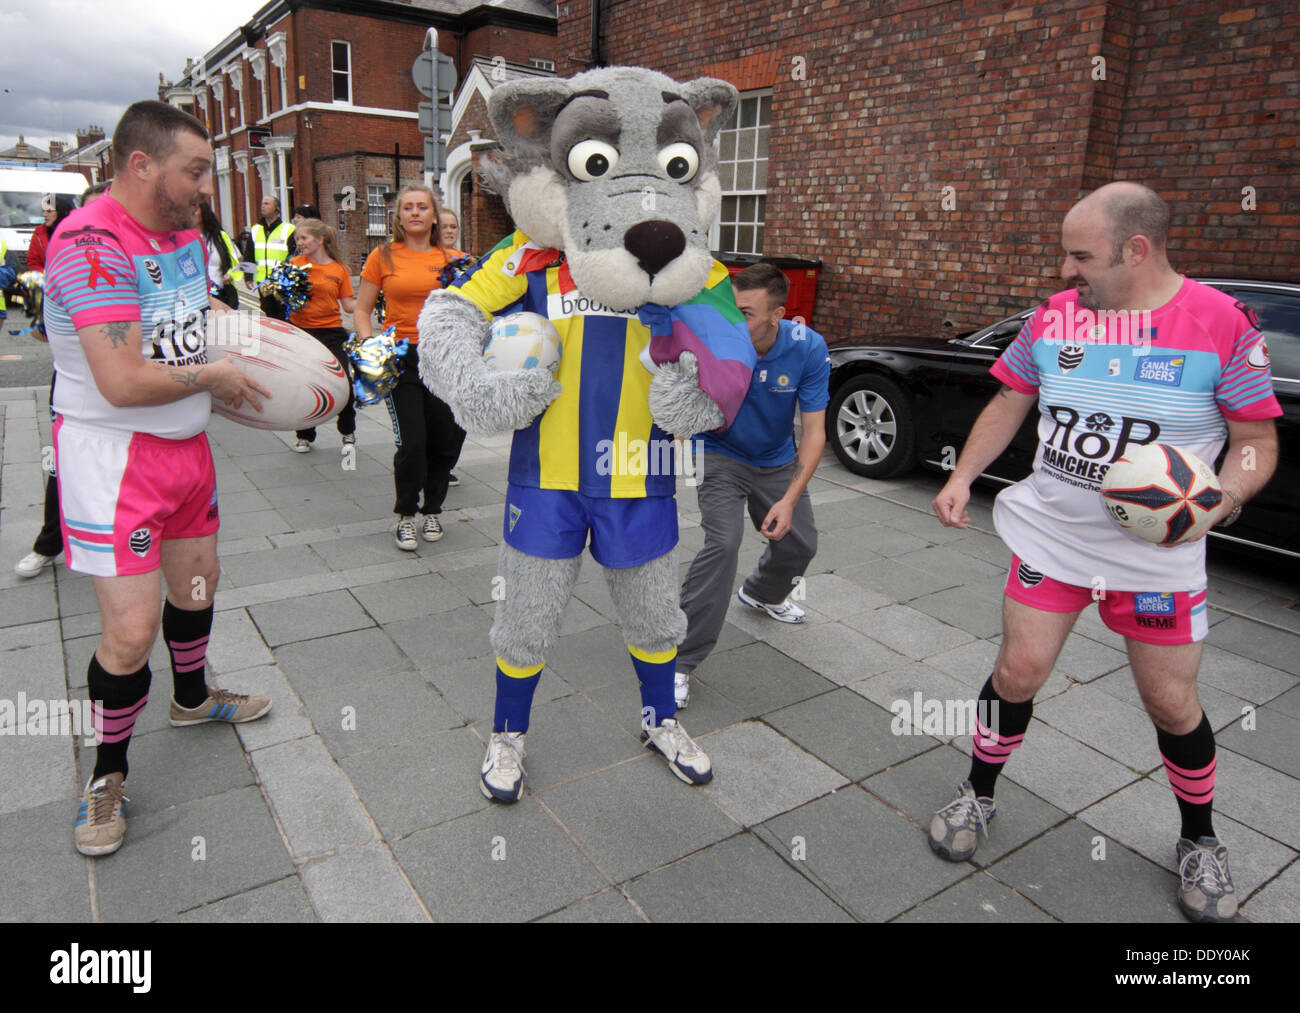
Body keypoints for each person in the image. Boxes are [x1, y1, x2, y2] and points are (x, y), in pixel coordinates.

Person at [928, 181, 1280, 923]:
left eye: (1080, 255)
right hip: (1052, 537)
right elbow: (1011, 399)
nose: (1064, 270)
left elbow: (1256, 442)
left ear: (1137, 250)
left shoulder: (1221, 323)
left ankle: (1200, 838)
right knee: (1017, 671)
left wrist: (1221, 498)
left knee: (1170, 701)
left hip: (1156, 557)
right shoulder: (1055, 318)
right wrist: (963, 474)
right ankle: (978, 792)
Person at [42, 100, 273, 857]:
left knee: (200, 582)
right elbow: (121, 380)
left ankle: (191, 695)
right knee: (131, 630)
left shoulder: (182, 233)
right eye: (196, 170)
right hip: (115, 457)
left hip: (185, 448)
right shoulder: (91, 242)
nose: (207, 185)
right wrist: (215, 374)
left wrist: (271, 351)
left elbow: (192, 312)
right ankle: (106, 774)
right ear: (141, 166)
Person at [674, 263, 829, 707]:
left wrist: (788, 499)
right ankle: (680, 662)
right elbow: (679, 406)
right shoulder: (715, 341)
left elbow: (815, 434)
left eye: (748, 313)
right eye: (732, 309)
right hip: (719, 452)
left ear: (778, 314)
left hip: (776, 458)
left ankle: (761, 594)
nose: (736, 321)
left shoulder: (808, 348)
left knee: (800, 543)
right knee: (724, 543)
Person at [353, 182, 466, 549]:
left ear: (435, 215)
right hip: (402, 358)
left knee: (445, 441)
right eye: (408, 207)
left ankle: (432, 509)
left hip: (444, 356)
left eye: (422, 207)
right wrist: (368, 345)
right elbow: (361, 309)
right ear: (398, 216)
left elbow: (476, 308)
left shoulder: (455, 259)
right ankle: (406, 513)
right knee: (413, 442)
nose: (415, 212)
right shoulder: (383, 256)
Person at [13, 194, 79, 578]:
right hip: (71, 380)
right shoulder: (56, 262)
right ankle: (49, 543)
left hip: (123, 384)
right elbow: (42, 334)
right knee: (61, 463)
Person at [287, 217, 357, 452]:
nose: (300, 242)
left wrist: (371, 300)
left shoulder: (338, 270)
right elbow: (284, 297)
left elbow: (348, 305)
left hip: (331, 333)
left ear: (320, 239)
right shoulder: (295, 264)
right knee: (303, 384)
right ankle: (305, 435)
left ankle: (347, 430)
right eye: (298, 238)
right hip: (301, 332)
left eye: (304, 238)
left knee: (344, 383)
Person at [249, 194, 295, 317]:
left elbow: (294, 255)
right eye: (262, 204)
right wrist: (248, 276)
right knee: (269, 313)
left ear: (277, 209)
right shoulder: (255, 230)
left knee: (283, 314)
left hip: (281, 281)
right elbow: (248, 254)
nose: (262, 206)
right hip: (262, 282)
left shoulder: (288, 229)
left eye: (267, 204)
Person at [198, 202, 242, 310]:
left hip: (223, 295)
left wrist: (231, 275)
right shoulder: (183, 241)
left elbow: (242, 263)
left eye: (195, 209)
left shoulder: (221, 237)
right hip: (199, 300)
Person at [25, 194, 77, 272]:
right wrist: (47, 275)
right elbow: (33, 263)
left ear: (60, 212)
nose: (44, 215)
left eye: (49, 211)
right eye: (43, 211)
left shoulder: (73, 232)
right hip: (46, 281)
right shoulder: (39, 232)